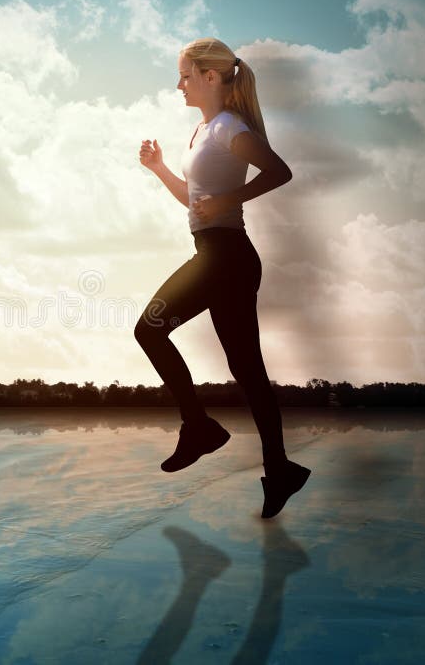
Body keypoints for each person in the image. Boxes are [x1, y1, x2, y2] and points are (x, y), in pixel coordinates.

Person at [135, 37, 310, 519]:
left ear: (211, 77)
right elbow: (194, 202)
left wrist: (230, 201)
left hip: (226, 257)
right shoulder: (202, 132)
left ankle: (199, 428)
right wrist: (159, 169)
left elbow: (279, 171)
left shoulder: (230, 127)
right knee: (248, 371)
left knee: (147, 328)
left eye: (186, 75)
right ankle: (280, 471)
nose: (179, 84)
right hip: (215, 252)